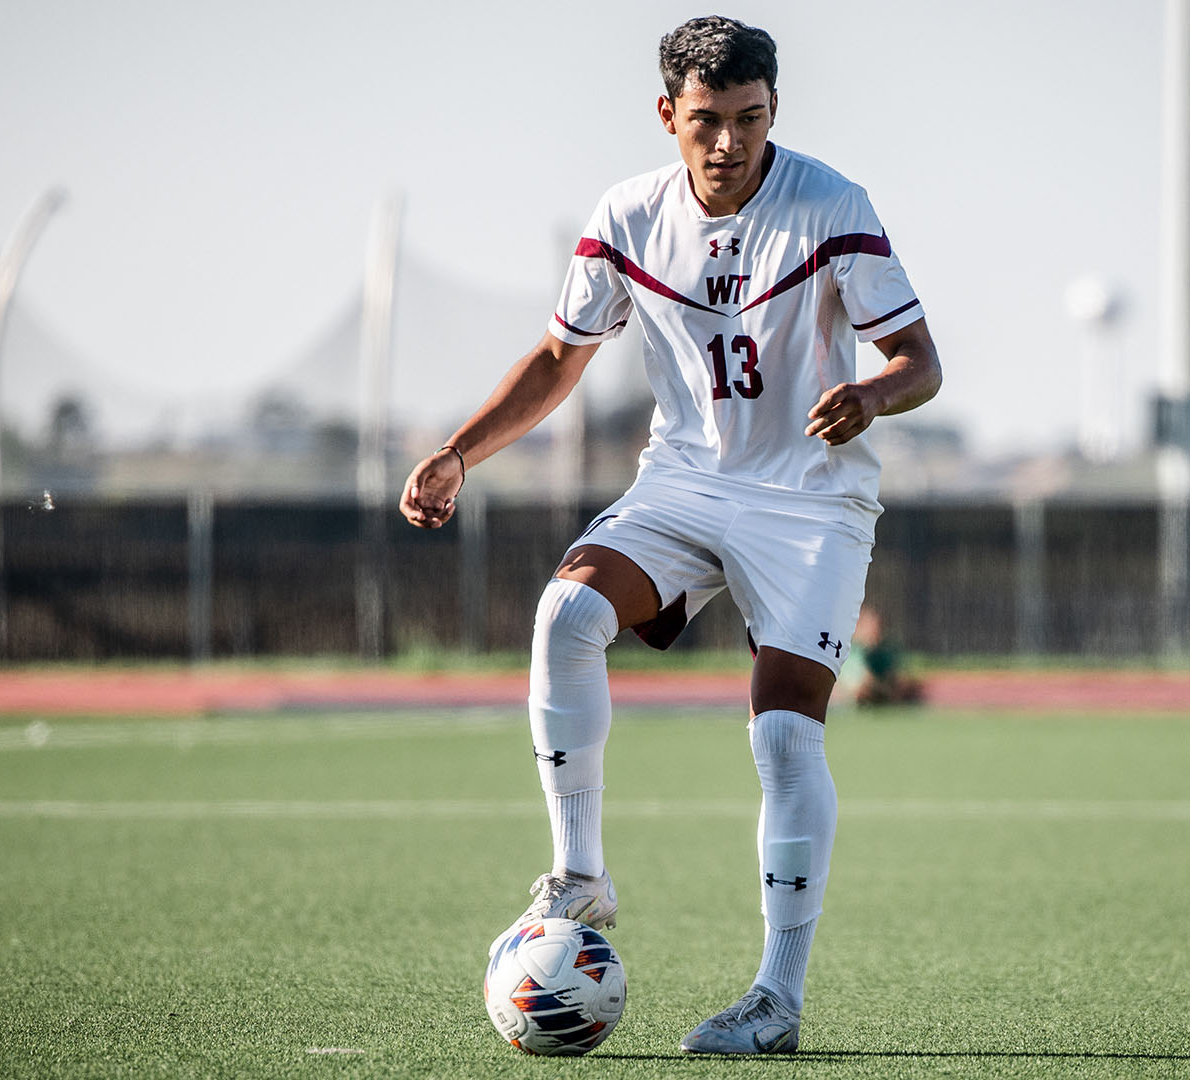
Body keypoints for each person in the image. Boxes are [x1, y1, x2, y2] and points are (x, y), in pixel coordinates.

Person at [399, 15, 941, 1055]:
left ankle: (776, 999)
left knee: (784, 734)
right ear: (667, 117)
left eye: (749, 119)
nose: (729, 144)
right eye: (707, 123)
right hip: (685, 483)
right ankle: (582, 873)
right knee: (566, 612)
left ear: (774, 109)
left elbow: (920, 358)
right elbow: (560, 359)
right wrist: (461, 452)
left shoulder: (834, 205)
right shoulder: (626, 217)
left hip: (811, 502)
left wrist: (873, 397)